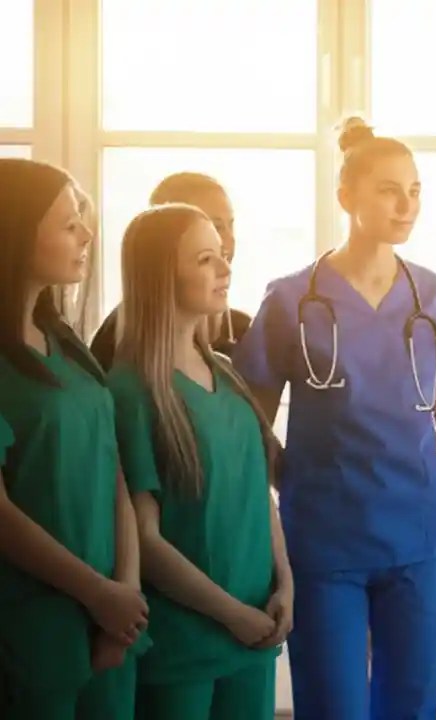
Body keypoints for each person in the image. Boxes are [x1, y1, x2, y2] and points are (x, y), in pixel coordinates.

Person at [232, 117, 436, 719]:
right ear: (347, 197)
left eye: (415, 189)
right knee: (333, 705)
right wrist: (288, 476)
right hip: (326, 532)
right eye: (389, 189)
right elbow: (248, 415)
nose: (407, 204)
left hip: (418, 528)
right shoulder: (292, 299)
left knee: (409, 703)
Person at [107, 203, 291, 719]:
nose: (226, 269)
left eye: (222, 255)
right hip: (186, 644)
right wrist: (231, 614)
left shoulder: (228, 375)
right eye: (207, 259)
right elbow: (145, 538)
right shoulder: (131, 390)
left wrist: (286, 583)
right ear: (163, 273)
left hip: (255, 631)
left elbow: (260, 498)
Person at [0, 158, 151, 718]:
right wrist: (97, 593)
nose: (87, 235)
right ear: (15, 230)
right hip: (33, 623)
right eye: (68, 223)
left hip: (109, 624)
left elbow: (112, 470)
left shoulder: (65, 344)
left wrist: (126, 596)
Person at [91, 172, 252, 370]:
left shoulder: (243, 329)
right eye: (215, 228)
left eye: (230, 226)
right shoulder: (119, 336)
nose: (228, 241)